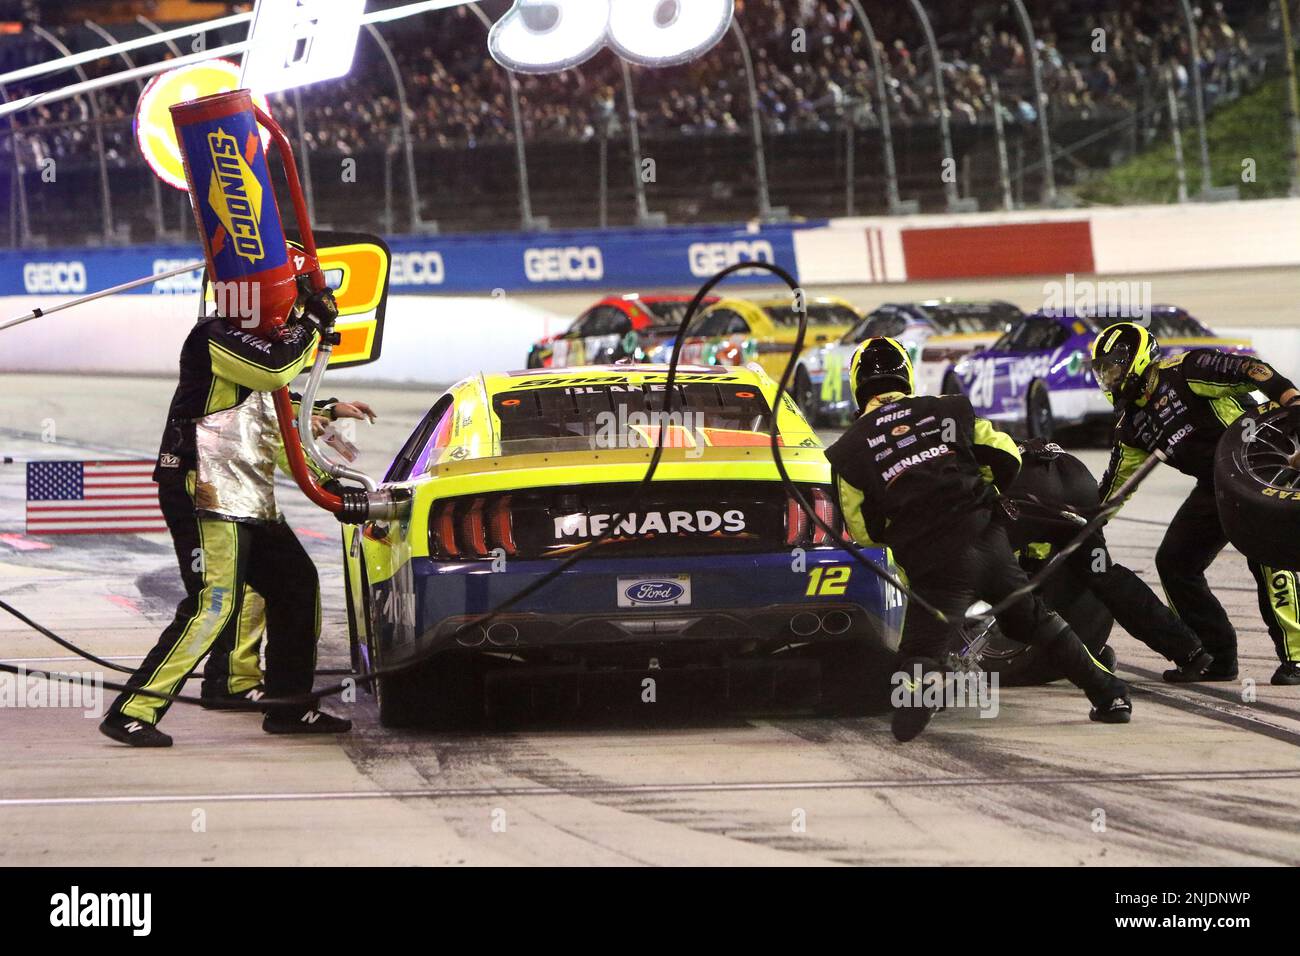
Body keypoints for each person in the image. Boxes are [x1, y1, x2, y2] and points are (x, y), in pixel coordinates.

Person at [824, 337, 1131, 741]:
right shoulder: (946, 408)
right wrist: (986, 495)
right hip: (988, 537)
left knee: (919, 652)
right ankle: (1110, 696)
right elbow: (1007, 455)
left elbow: (861, 528)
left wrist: (904, 534)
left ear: (856, 385)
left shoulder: (847, 451)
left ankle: (920, 692)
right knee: (1034, 620)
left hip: (934, 564)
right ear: (907, 375)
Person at [99, 278, 351, 747]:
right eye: (290, 300)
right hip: (205, 491)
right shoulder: (215, 335)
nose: (292, 310)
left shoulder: (259, 352)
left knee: (296, 584)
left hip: (250, 497)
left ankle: (288, 707)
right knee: (213, 604)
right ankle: (133, 710)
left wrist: (333, 475)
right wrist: (313, 326)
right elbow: (276, 370)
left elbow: (277, 418)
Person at [1092, 322, 1300, 686]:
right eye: (1103, 372)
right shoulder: (1132, 424)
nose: (1109, 379)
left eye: (1113, 368)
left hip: (1261, 469)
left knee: (1268, 558)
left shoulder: (1187, 370)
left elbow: (1251, 369)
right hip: (1215, 486)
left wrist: (1292, 400)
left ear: (1136, 359)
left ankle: (1297, 658)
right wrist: (1081, 522)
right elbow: (1114, 488)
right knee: (1174, 562)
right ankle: (1216, 656)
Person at [200, 400, 376, 707]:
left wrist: (326, 410)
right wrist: (329, 486)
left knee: (269, 584)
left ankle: (236, 681)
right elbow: (274, 412)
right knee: (265, 586)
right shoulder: (255, 375)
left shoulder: (259, 379)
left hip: (227, 490)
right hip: (225, 493)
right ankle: (232, 682)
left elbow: (278, 401)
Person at [1002, 438, 1211, 680]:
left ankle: (1078, 656)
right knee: (1103, 575)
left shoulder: (954, 457)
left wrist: (1029, 566)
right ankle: (1189, 652)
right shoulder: (979, 434)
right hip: (1076, 481)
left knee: (986, 566)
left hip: (1030, 490)